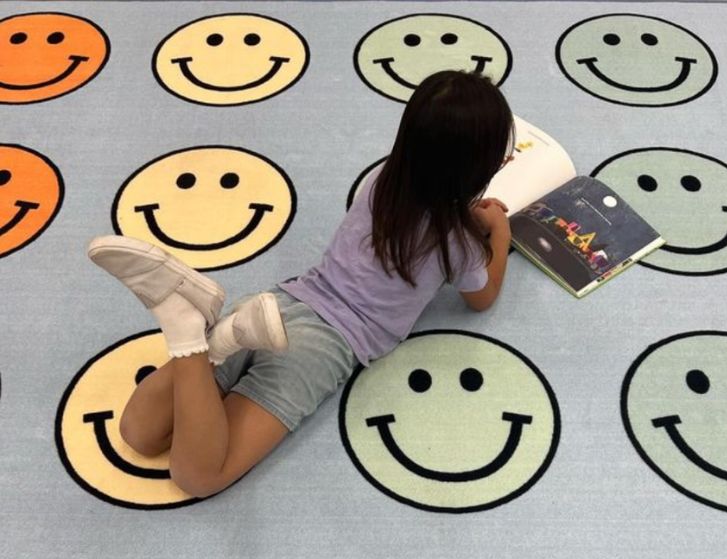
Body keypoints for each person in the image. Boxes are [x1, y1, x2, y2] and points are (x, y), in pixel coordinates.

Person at [87, 69, 515, 498]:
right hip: (325, 346)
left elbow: (426, 200)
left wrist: (463, 208)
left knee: (139, 432)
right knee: (198, 476)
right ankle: (185, 333)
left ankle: (207, 339)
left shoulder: (381, 182)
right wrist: (498, 229)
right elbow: (483, 296)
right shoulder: (458, 245)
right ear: (477, 170)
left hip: (278, 304)